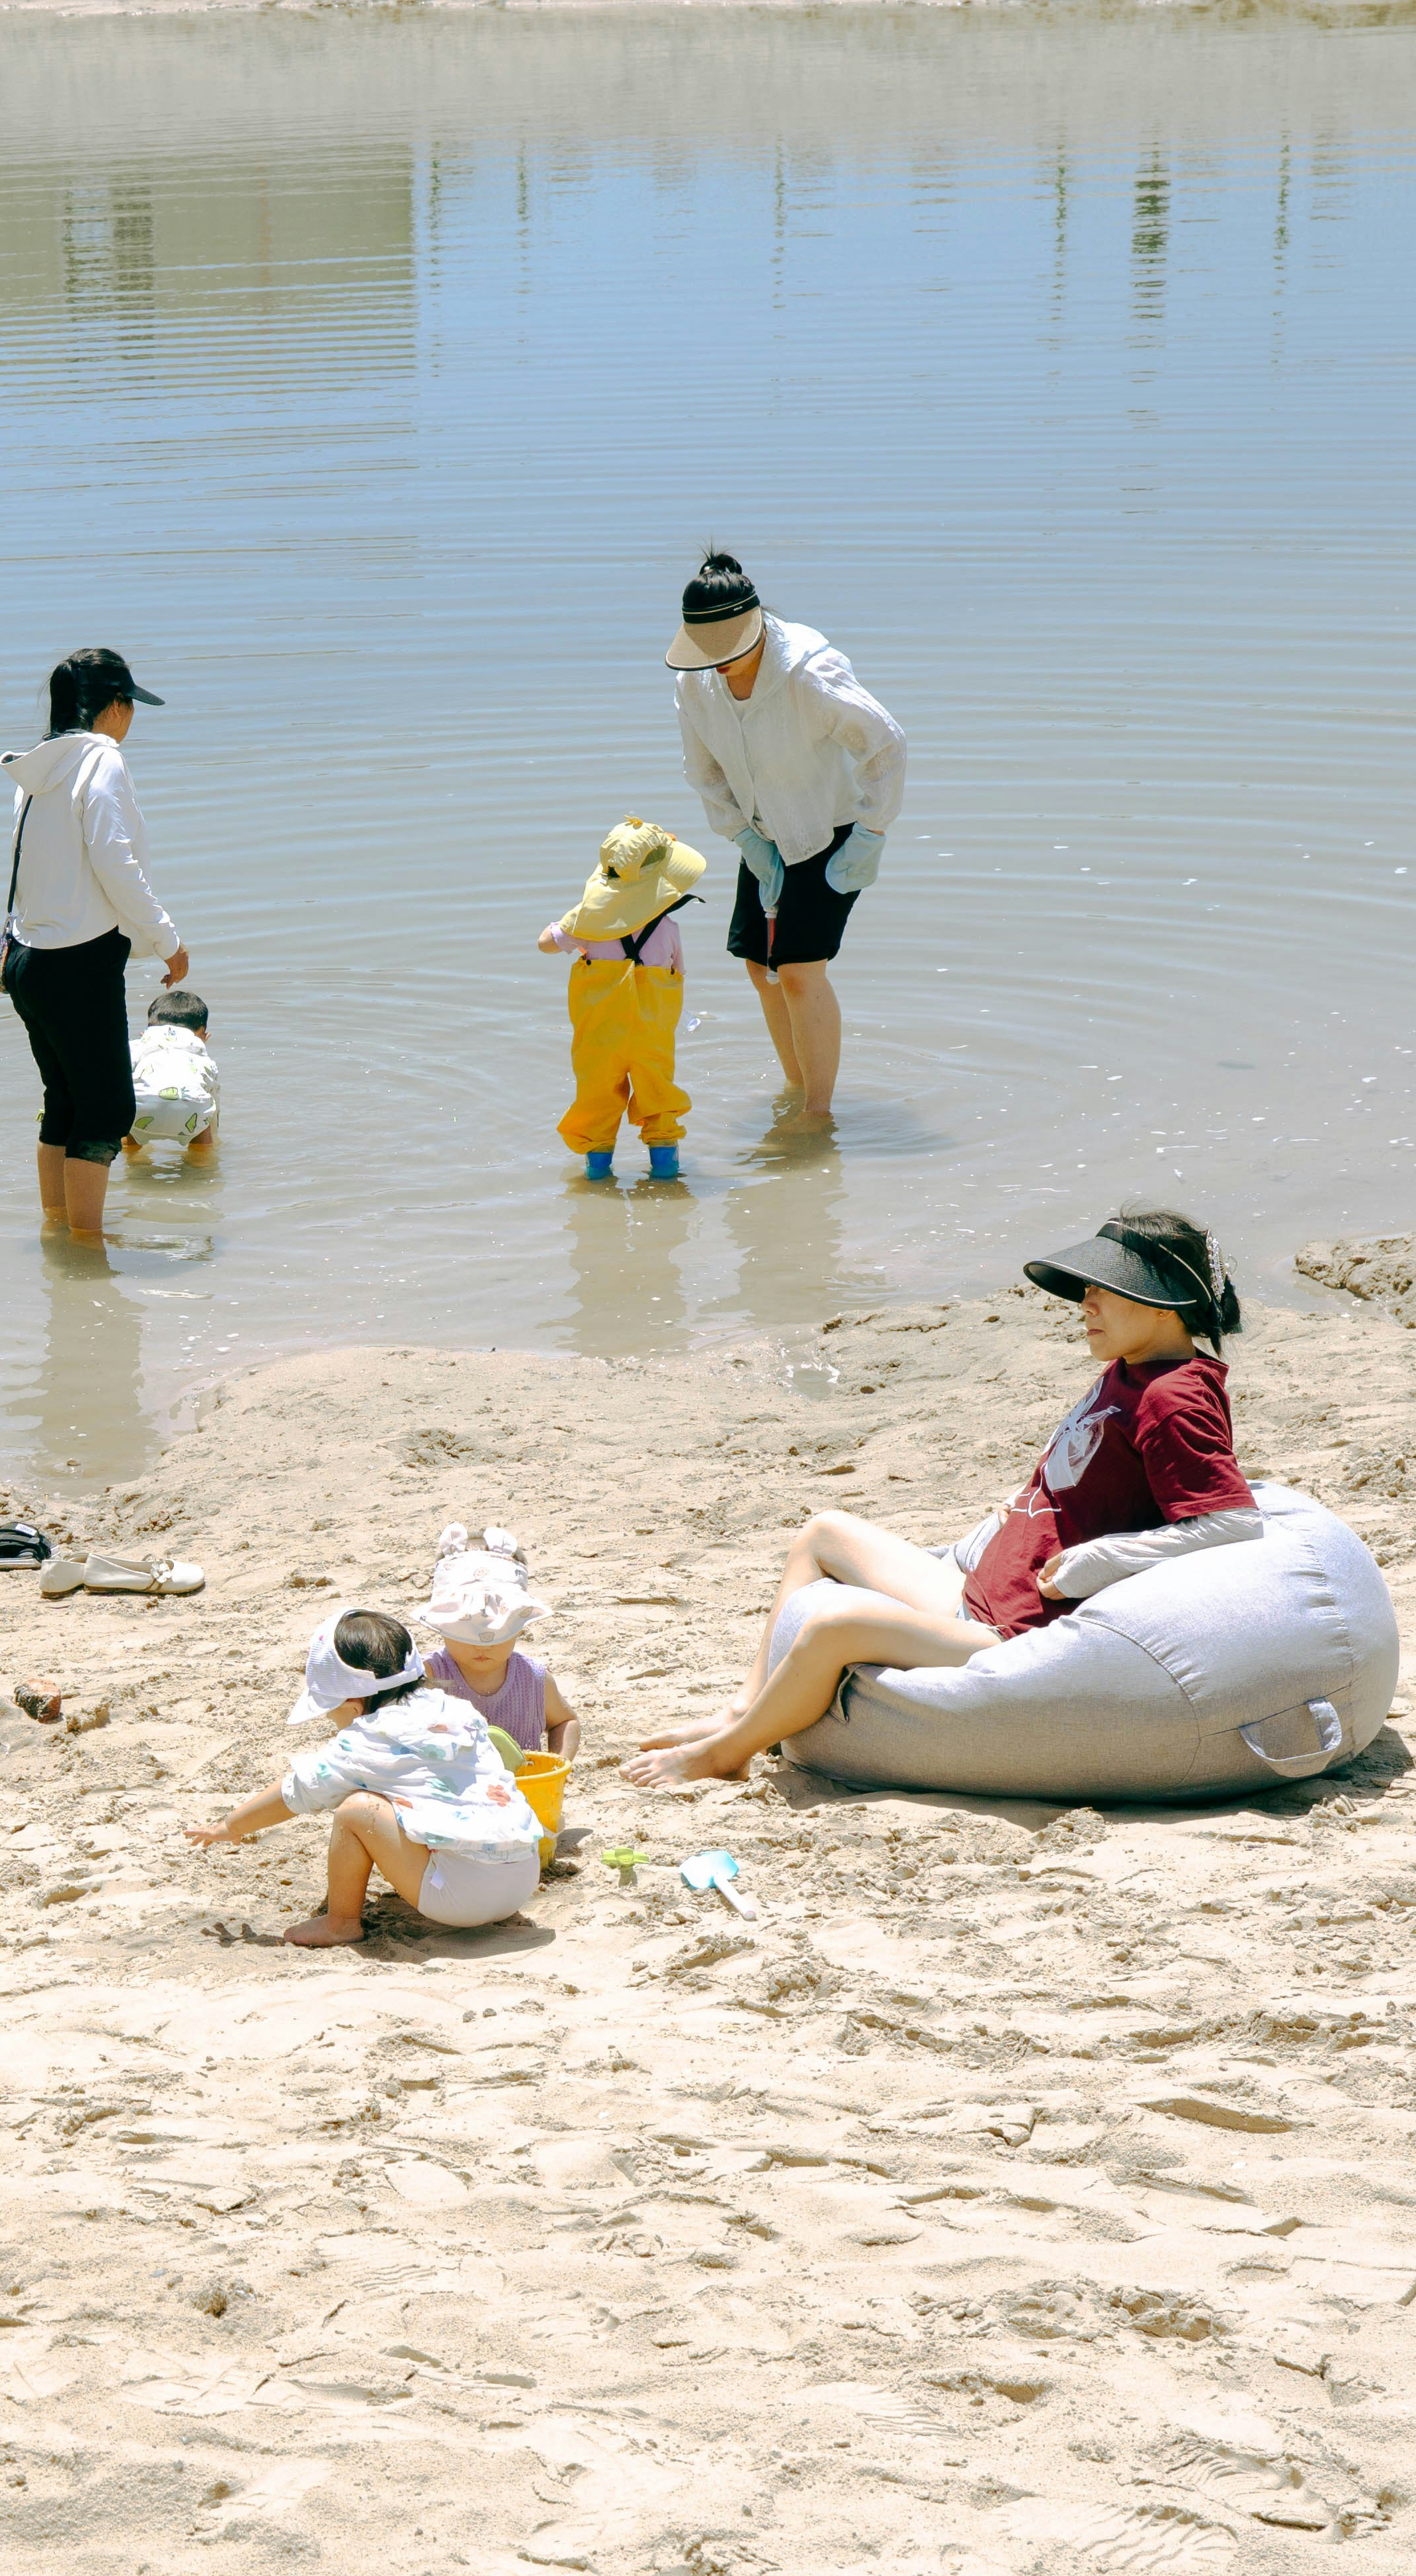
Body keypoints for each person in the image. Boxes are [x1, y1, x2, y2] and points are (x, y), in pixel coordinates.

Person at [628, 1208, 1261, 1788]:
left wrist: (1101, 1563)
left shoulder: (1176, 1396)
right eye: (1087, 1289)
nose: (1086, 1304)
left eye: (1106, 1290)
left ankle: (725, 1755)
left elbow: (1232, 1525)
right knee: (824, 1531)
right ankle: (741, 1708)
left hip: (1016, 1631)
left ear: (1164, 1304)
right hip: (980, 1592)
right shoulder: (1130, 1368)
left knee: (830, 1627)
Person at [666, 552, 906, 1126]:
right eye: (706, 652)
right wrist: (746, 842)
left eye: (726, 649)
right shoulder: (696, 685)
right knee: (759, 966)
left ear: (753, 629)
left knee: (799, 969)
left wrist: (870, 835)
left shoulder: (809, 675)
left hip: (831, 829)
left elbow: (886, 746)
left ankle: (817, 1114)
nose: (715, 664)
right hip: (764, 833)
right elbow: (704, 773)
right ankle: (799, 1089)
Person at [183, 1609, 547, 1944]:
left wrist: (231, 1827)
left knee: (358, 1809)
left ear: (352, 1706)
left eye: (331, 1714)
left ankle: (340, 1923)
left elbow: (296, 1792)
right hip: (523, 1878)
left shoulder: (366, 1741)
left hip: (462, 1901)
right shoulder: (457, 1711)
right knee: (426, 1797)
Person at [0, 648, 189, 1241]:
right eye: (129, 703)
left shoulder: (38, 771)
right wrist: (167, 940)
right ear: (111, 706)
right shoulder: (101, 761)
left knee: (65, 1101)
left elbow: (25, 863)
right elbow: (115, 860)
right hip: (79, 963)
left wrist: (4, 941)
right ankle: (86, 1253)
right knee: (106, 1112)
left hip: (30, 959)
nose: (131, 717)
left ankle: (58, 1233)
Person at [535, 817, 701, 1183]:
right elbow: (678, 974)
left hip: (600, 1036)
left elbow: (545, 945)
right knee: (659, 1098)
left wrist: (567, 927)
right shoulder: (669, 929)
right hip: (651, 1037)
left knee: (597, 1099)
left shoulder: (588, 924)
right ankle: (665, 1174)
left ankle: (597, 1176)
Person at [417, 1527, 582, 1762]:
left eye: (498, 1628)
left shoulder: (533, 1679)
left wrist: (561, 1761)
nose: (482, 1644)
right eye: (466, 1627)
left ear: (520, 1623)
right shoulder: (429, 1678)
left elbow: (565, 1722)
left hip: (523, 1791)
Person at [128, 987, 221, 1165]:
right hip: (190, 1111)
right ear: (204, 1034)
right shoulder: (203, 1058)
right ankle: (200, 1164)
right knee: (204, 1107)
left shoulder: (138, 1046)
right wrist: (213, 1139)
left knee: (130, 1105)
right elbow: (214, 1105)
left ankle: (133, 1161)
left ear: (146, 1032)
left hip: (141, 1112)